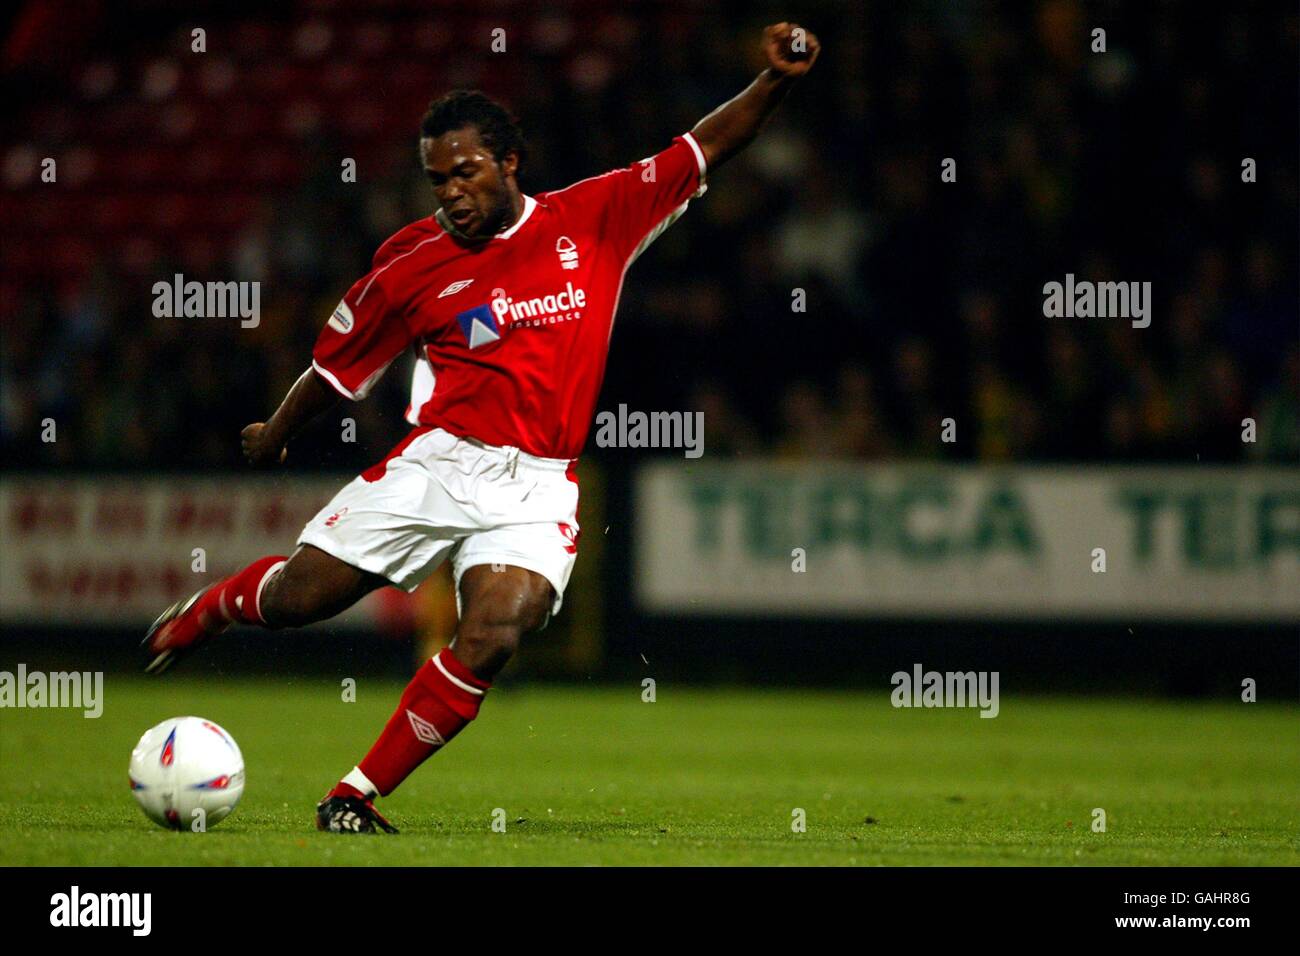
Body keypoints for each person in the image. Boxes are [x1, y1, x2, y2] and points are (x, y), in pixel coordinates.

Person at [143, 22, 821, 833]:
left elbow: (707, 146)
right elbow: (335, 369)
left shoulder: (597, 217)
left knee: (499, 628)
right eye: (438, 180)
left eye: (464, 173)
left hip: (536, 482)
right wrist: (277, 430)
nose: (451, 192)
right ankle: (220, 605)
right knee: (300, 600)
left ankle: (352, 796)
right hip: (439, 464)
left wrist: (775, 81)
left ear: (508, 163)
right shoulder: (411, 262)